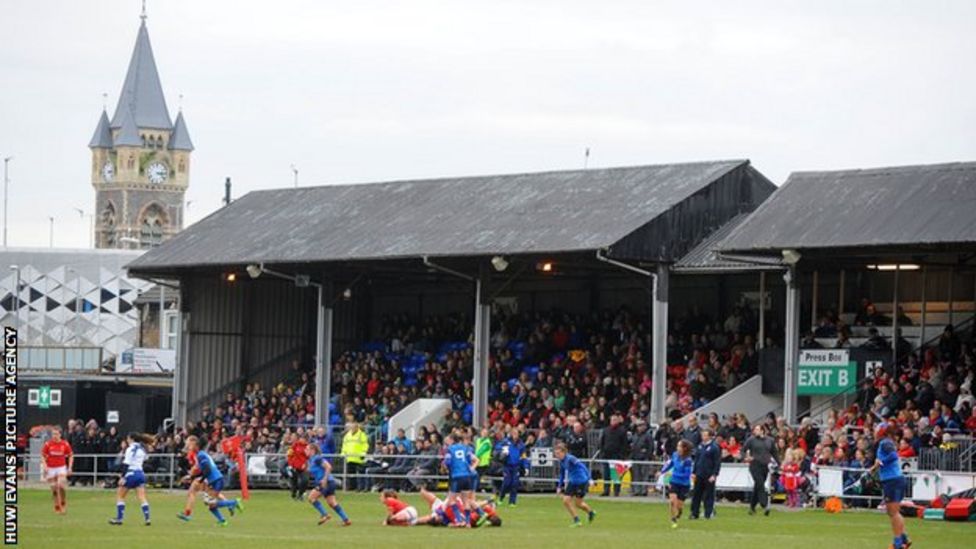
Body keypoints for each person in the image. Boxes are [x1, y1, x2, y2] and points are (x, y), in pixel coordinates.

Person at [177, 436, 242, 526]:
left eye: (190, 445)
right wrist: (192, 477)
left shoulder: (200, 455)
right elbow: (203, 469)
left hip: (216, 480)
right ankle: (222, 520)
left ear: (196, 445)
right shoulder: (201, 454)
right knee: (210, 504)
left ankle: (233, 503)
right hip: (214, 479)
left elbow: (207, 469)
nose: (188, 447)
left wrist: (200, 479)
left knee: (209, 501)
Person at [871, 423, 912, 549]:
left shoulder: (885, 442)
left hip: (892, 480)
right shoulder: (885, 443)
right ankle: (904, 537)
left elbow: (894, 456)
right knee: (893, 512)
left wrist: (881, 463)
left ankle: (898, 542)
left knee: (893, 512)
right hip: (893, 480)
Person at [109, 433, 153, 526]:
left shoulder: (130, 449)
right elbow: (145, 459)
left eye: (128, 439)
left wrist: (122, 477)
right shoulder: (143, 449)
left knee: (120, 496)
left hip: (131, 473)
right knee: (142, 497)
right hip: (140, 474)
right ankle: (147, 518)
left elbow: (126, 464)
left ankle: (119, 518)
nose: (127, 441)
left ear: (132, 439)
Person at [305, 443, 351, 526]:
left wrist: (324, 479)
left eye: (307, 449)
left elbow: (328, 467)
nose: (305, 451)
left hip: (326, 482)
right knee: (332, 503)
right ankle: (346, 520)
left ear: (313, 450)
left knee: (311, 497)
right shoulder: (311, 460)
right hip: (329, 482)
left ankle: (325, 515)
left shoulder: (317, 458)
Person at [554, 442, 595, 528]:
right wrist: (559, 486)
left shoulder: (571, 459)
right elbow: (562, 474)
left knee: (578, 504)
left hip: (581, 482)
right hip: (572, 482)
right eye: (556, 453)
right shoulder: (561, 461)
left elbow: (583, 466)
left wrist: (590, 478)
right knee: (566, 500)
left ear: (564, 452)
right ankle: (577, 520)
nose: (557, 455)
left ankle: (590, 512)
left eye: (558, 453)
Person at [659, 439, 693, 528]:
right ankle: (673, 519)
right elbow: (670, 464)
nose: (677, 448)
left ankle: (680, 511)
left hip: (684, 484)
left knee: (679, 505)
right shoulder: (675, 455)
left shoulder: (688, 460)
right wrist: (662, 471)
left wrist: (674, 474)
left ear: (684, 448)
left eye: (679, 446)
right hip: (674, 482)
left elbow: (687, 475)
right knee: (672, 501)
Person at [743, 424, 775, 516]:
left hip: (764, 466)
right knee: (760, 484)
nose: (755, 431)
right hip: (754, 465)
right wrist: (746, 457)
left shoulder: (770, 440)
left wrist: (779, 463)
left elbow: (774, 452)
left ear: (762, 431)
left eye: (757, 429)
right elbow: (743, 450)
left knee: (757, 486)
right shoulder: (751, 440)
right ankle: (764, 504)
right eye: (755, 429)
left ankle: (752, 507)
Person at [40, 427, 73, 514]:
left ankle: (63, 502)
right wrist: (45, 466)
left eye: (56, 434)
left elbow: (71, 455)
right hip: (51, 468)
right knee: (54, 488)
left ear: (60, 435)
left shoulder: (65, 444)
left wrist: (70, 467)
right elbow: (43, 455)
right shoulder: (48, 444)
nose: (54, 436)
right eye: (53, 434)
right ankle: (57, 506)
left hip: (61, 467)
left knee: (61, 485)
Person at [690, 428, 721, 519]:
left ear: (710, 436)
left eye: (705, 435)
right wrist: (694, 472)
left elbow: (717, 462)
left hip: (709, 475)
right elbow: (697, 460)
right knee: (696, 494)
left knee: (708, 495)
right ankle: (694, 513)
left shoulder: (714, 447)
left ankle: (708, 513)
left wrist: (714, 474)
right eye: (702, 435)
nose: (703, 437)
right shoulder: (700, 446)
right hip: (699, 474)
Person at [443, 434, 479, 509]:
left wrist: (446, 467)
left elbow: (448, 462)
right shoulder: (465, 448)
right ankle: (480, 512)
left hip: (459, 475)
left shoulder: (451, 449)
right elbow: (474, 460)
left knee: (456, 499)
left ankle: (484, 509)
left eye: (448, 440)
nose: (446, 442)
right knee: (465, 499)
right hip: (467, 474)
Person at [497, 430, 526, 507]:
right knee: (506, 482)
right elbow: (497, 447)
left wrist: (526, 467)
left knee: (514, 484)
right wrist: (503, 450)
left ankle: (512, 502)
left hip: (516, 466)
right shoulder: (506, 442)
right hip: (507, 466)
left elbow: (523, 456)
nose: (515, 435)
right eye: (513, 433)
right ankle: (501, 497)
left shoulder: (521, 444)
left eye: (516, 433)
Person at [341, 423, 370, 492]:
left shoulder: (362, 435)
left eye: (354, 427)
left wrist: (364, 452)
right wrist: (343, 453)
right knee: (350, 474)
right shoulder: (347, 435)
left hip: (359, 458)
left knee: (360, 473)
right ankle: (351, 487)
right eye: (351, 427)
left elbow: (365, 444)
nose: (352, 429)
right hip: (349, 458)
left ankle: (360, 487)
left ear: (357, 428)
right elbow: (344, 445)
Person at [286, 434, 310, 500]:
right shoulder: (295, 445)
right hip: (294, 466)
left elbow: (309, 457)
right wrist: (290, 464)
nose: (302, 440)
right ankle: (293, 494)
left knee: (305, 480)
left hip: (303, 467)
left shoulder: (308, 447)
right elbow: (289, 455)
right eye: (301, 438)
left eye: (304, 439)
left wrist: (306, 464)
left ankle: (300, 494)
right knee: (294, 481)